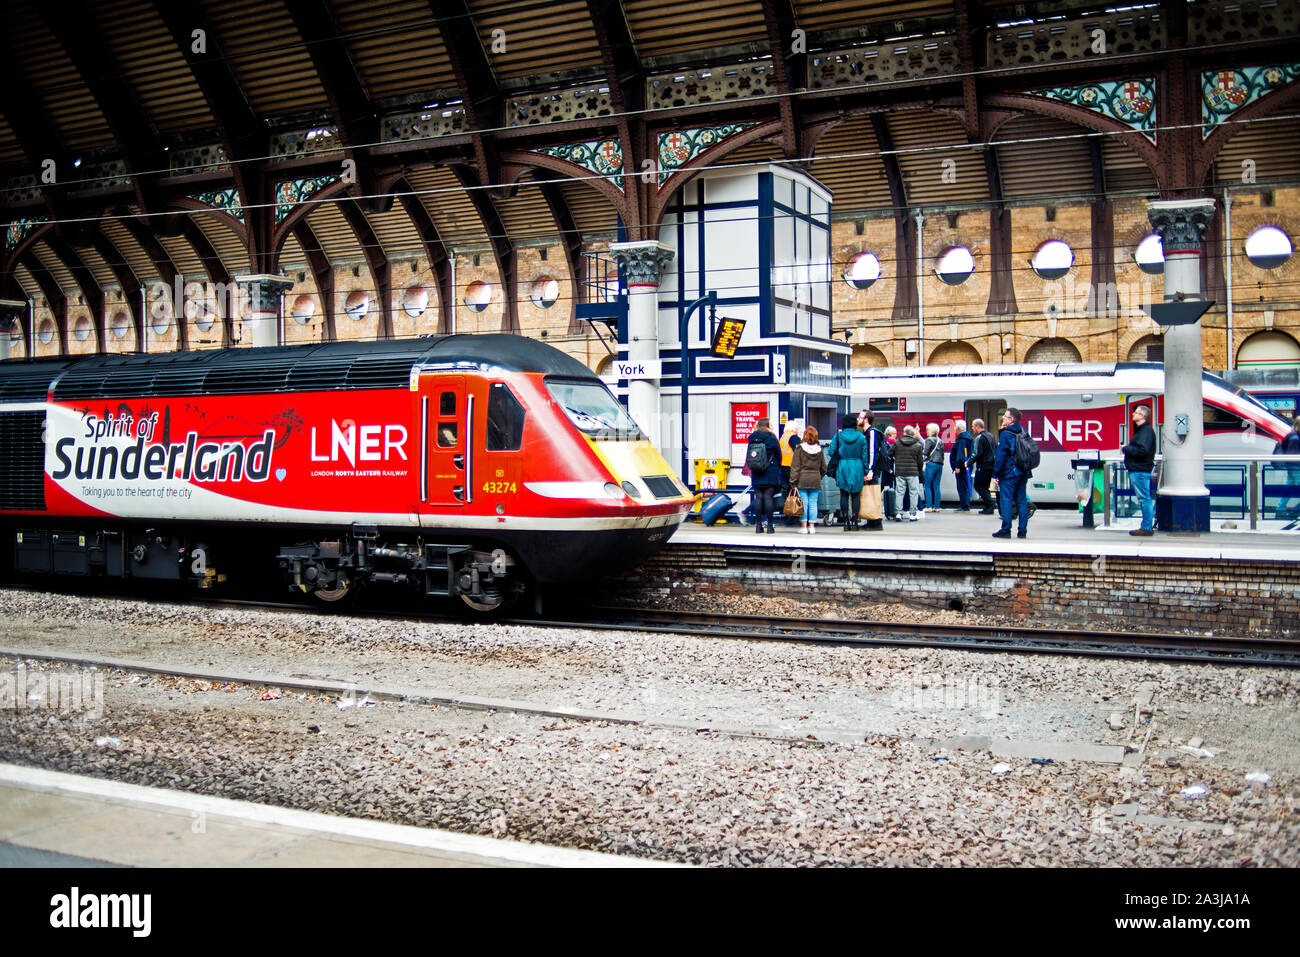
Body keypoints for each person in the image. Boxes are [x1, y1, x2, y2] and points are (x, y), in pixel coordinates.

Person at [991, 407, 1031, 538]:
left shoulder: (1006, 434)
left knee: (1006, 500)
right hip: (1023, 472)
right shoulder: (1023, 431)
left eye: (1005, 416)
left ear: (1011, 420)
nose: (1003, 418)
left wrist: (995, 474)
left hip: (1009, 473)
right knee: (1021, 500)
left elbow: (1000, 456)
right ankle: (1022, 530)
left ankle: (1006, 529)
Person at [828, 413, 869, 530]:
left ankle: (846, 522)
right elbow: (865, 456)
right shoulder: (861, 437)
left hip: (843, 465)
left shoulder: (838, 436)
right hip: (857, 466)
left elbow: (831, 452)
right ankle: (855, 521)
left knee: (844, 494)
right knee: (856, 495)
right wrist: (866, 471)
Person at [1121, 404, 1157, 535]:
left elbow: (1142, 451)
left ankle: (1147, 527)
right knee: (1144, 498)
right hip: (1139, 469)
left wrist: (1125, 448)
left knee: (1144, 499)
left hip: (1140, 470)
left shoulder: (1145, 431)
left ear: (1142, 416)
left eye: (1135, 413)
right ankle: (1147, 525)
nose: (1133, 414)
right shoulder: (1143, 431)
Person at [745, 416, 783, 534]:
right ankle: (770, 526)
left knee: (758, 497)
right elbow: (778, 455)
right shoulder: (771, 437)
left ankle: (758, 526)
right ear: (767, 425)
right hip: (770, 469)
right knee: (768, 497)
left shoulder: (752, 437)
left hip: (757, 470)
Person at [789, 425, 827, 535]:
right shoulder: (819, 450)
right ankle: (812, 527)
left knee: (804, 503)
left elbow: (795, 466)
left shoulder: (799, 449)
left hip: (802, 479)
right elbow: (824, 467)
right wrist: (819, 476)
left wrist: (793, 481)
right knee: (813, 503)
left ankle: (804, 527)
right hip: (815, 479)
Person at [892, 425, 924, 522]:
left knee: (899, 492)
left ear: (904, 433)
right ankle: (913, 514)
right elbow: (920, 461)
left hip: (900, 472)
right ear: (913, 434)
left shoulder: (897, 443)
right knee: (913, 493)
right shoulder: (917, 445)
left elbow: (889, 454)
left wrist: (896, 460)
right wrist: (918, 470)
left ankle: (898, 513)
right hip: (913, 472)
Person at [1275, 416, 1300, 519]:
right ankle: (1295, 511)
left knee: (1289, 487)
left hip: (1292, 466)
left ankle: (1280, 510)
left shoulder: (1293, 435)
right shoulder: (1295, 437)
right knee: (1294, 487)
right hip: (1295, 466)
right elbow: (1293, 454)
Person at [971, 418, 996, 514]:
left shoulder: (979, 438)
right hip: (991, 465)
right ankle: (988, 508)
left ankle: (991, 503)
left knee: (978, 486)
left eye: (973, 426)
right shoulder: (991, 436)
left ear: (977, 426)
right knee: (985, 487)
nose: (972, 428)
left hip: (983, 466)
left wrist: (968, 462)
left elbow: (977, 453)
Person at [950, 419, 974, 512]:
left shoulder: (962, 439)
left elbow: (960, 454)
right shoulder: (966, 437)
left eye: (955, 427)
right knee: (964, 485)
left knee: (962, 486)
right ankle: (965, 504)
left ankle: (965, 505)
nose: (954, 428)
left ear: (959, 428)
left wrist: (957, 466)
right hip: (965, 466)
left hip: (962, 467)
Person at [922, 422, 944, 513]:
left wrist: (923, 460)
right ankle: (937, 506)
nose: (926, 432)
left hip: (931, 464)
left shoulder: (929, 440)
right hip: (940, 465)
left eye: (927, 430)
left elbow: (925, 453)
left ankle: (929, 506)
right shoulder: (940, 440)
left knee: (927, 485)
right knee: (937, 486)